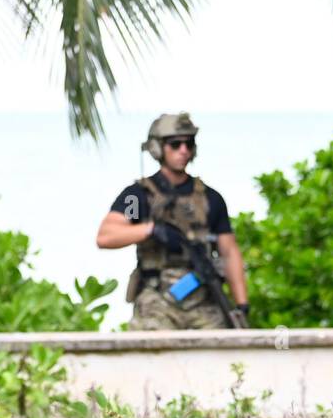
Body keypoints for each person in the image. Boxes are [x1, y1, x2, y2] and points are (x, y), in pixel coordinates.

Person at [96, 113, 249, 329]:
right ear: (157, 148)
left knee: (224, 352)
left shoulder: (210, 198)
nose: (183, 150)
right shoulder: (137, 196)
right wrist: (151, 230)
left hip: (203, 298)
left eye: (189, 144)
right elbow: (106, 236)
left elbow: (229, 252)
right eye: (175, 144)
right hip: (158, 299)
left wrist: (242, 304)